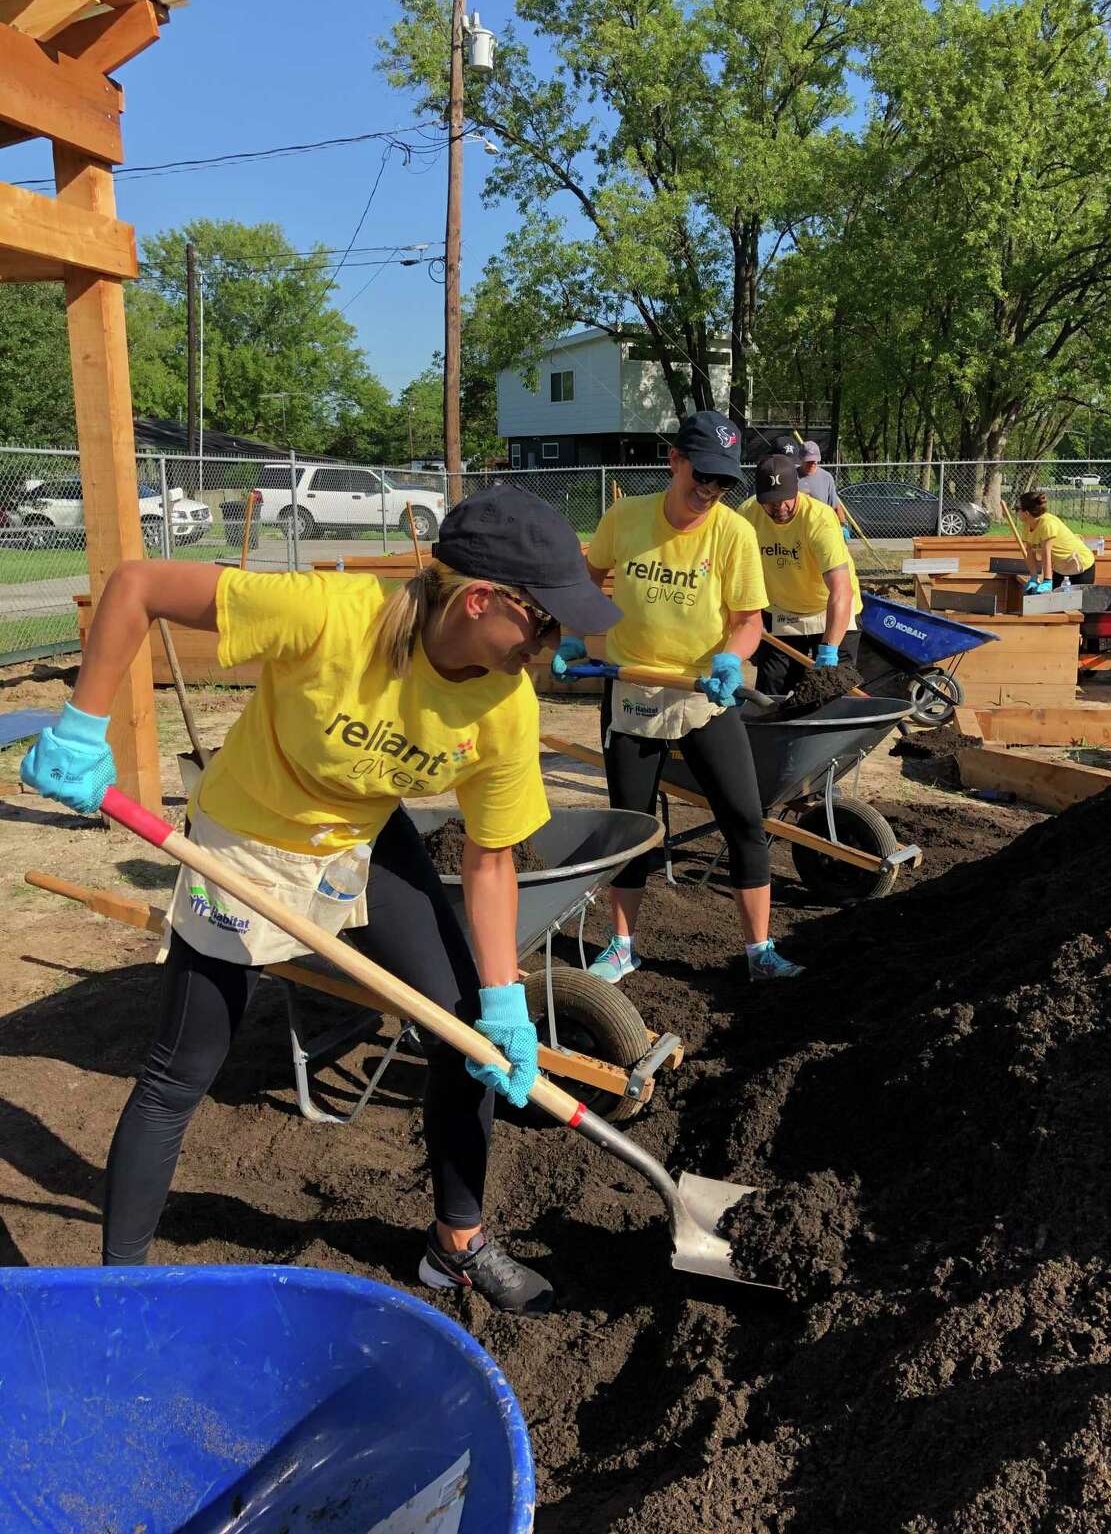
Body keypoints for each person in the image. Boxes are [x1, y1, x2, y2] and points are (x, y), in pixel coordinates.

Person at [19, 484, 620, 1315]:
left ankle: (456, 1246)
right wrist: (85, 723)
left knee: (466, 1036)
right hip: (247, 838)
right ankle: (121, 1286)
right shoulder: (331, 613)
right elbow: (138, 585)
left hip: (359, 839)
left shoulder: (504, 705)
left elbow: (490, 860)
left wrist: (505, 1000)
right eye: (544, 624)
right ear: (482, 600)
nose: (553, 648)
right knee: (180, 1072)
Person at [555, 411, 802, 986]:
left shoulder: (732, 532)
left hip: (703, 695)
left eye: (721, 483)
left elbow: (748, 621)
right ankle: (622, 945)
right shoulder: (627, 518)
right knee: (632, 825)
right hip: (635, 688)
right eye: (702, 477)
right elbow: (584, 579)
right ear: (674, 461)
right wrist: (570, 632)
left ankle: (759, 950)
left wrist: (730, 658)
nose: (709, 492)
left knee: (744, 818)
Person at [739, 455, 863, 696]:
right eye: (771, 502)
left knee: (834, 690)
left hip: (832, 609)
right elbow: (737, 576)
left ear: (796, 490)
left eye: (785, 499)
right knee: (773, 686)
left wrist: (829, 650)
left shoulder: (820, 519)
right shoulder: (747, 516)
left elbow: (841, 590)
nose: (780, 508)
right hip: (783, 612)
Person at [1017, 491, 1096, 591]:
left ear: (1027, 513)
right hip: (1061, 569)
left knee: (1078, 604)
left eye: (1017, 509)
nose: (1016, 512)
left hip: (1081, 566)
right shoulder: (1027, 524)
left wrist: (1047, 580)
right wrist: (1034, 577)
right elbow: (1029, 551)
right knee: (1056, 603)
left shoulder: (1047, 524)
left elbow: (1046, 553)